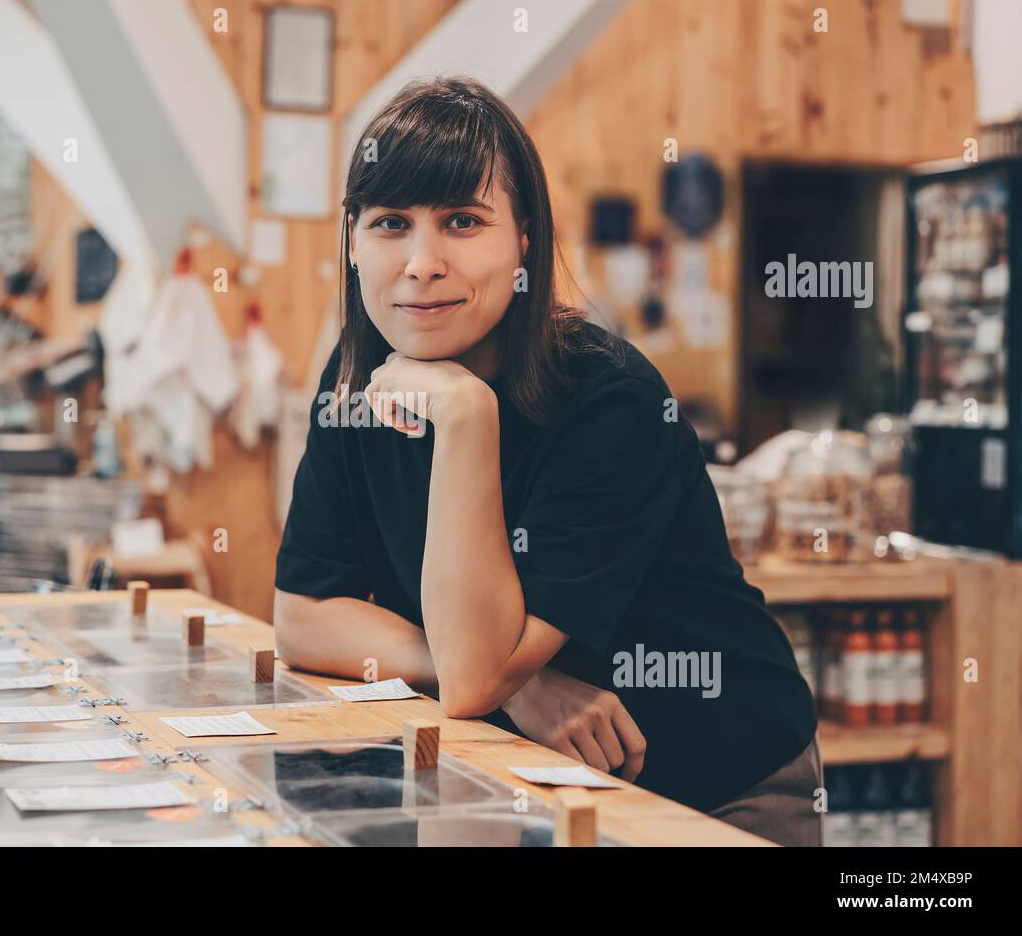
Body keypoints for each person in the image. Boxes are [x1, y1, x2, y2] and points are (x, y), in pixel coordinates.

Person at [273, 75, 820, 846]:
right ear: (353, 239)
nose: (422, 261)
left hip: (715, 788)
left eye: (463, 221)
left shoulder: (610, 399)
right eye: (391, 223)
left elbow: (472, 676)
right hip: (527, 774)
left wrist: (464, 416)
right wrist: (521, 682)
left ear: (524, 236)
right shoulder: (354, 375)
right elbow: (303, 617)